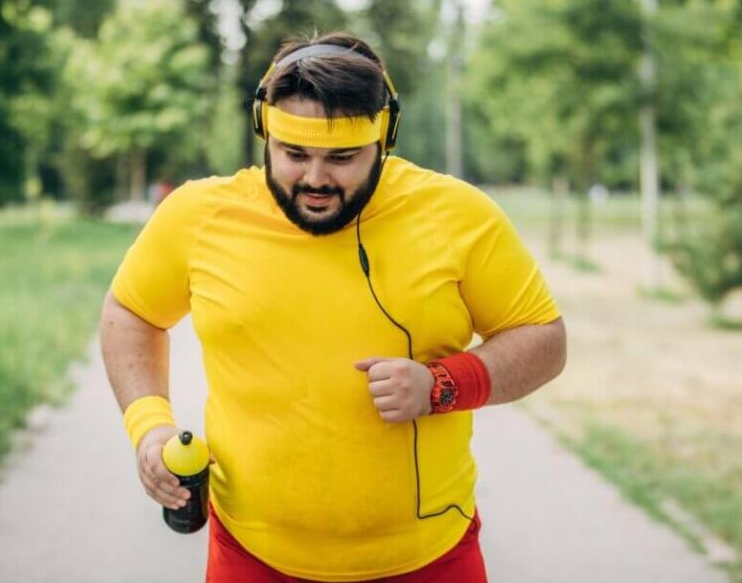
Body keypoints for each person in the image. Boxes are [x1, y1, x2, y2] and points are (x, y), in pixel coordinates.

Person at [100, 31, 567, 582]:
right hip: (252, 556)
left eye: (343, 158)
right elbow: (130, 312)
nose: (316, 179)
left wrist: (442, 383)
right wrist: (150, 426)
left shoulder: (459, 216)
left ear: (384, 139)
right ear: (264, 132)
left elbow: (544, 338)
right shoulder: (199, 216)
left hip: (428, 558)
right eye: (294, 154)